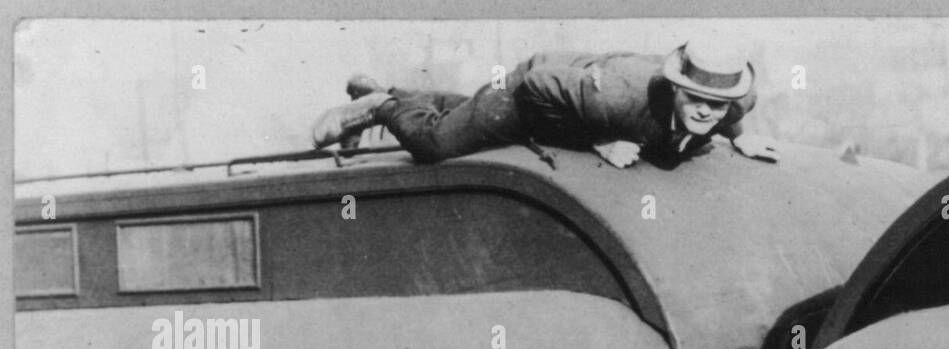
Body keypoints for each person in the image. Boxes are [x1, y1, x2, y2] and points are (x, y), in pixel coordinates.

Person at [311, 42, 780, 169]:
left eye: (718, 107)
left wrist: (742, 137)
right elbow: (538, 85)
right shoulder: (617, 101)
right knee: (436, 145)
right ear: (676, 88)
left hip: (575, 90)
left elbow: (726, 112)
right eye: (696, 99)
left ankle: (393, 90)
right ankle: (379, 105)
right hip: (539, 89)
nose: (706, 113)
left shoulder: (734, 103)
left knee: (467, 118)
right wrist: (598, 140)